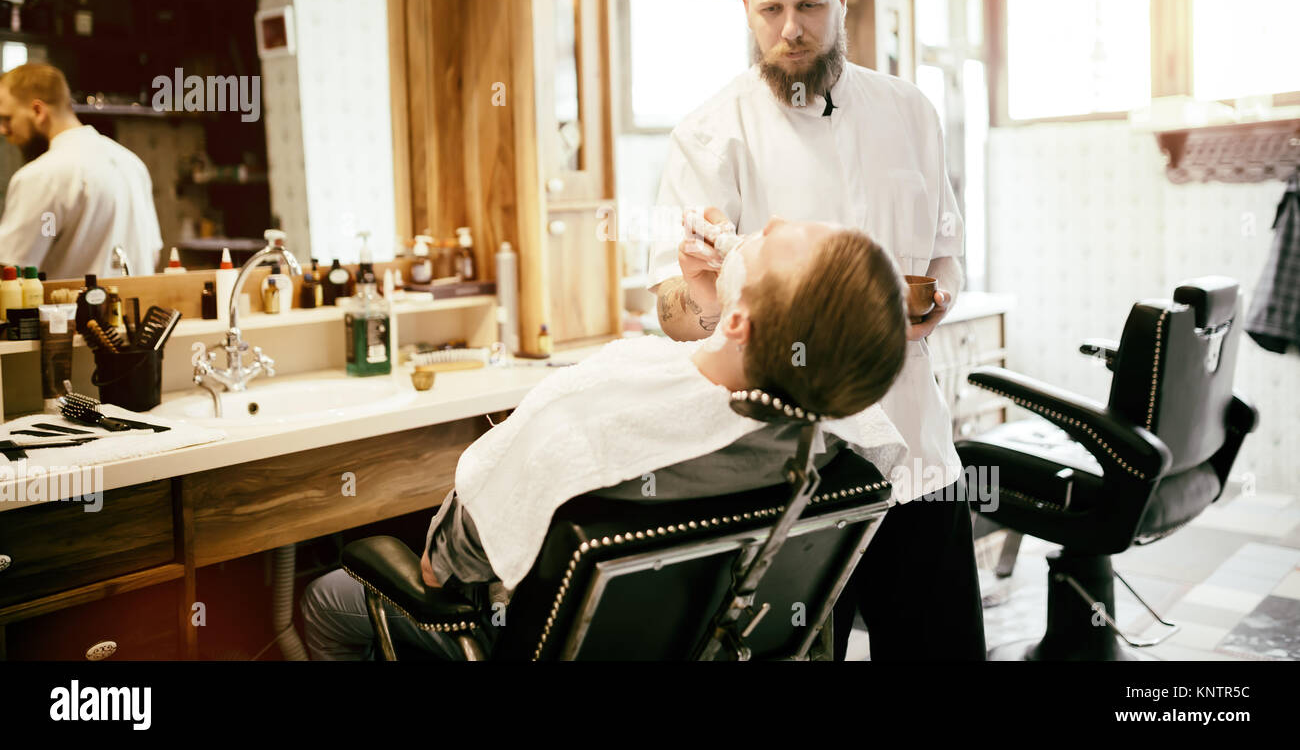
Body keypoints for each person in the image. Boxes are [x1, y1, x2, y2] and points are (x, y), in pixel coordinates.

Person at [301, 217, 911, 660]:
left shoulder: (590, 413)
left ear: (737, 321)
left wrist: (435, 565)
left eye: (777, 238)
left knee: (326, 601)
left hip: (511, 632)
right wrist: (715, 297)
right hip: (698, 642)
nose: (772, 220)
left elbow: (445, 568)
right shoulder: (831, 436)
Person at [647, 0, 986, 660]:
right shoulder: (708, 135)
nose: (790, 28)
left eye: (808, 4)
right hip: (789, 466)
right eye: (771, 9)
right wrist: (702, 294)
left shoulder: (911, 112)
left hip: (913, 442)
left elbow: (946, 252)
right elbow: (672, 313)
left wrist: (939, 297)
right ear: (746, 9)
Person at [0, 63, 162, 279]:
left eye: (7, 118)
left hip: (74, 312)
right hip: (137, 308)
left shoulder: (41, 176)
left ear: (38, 111)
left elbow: (11, 270)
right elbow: (153, 253)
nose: (3, 130)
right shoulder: (131, 163)